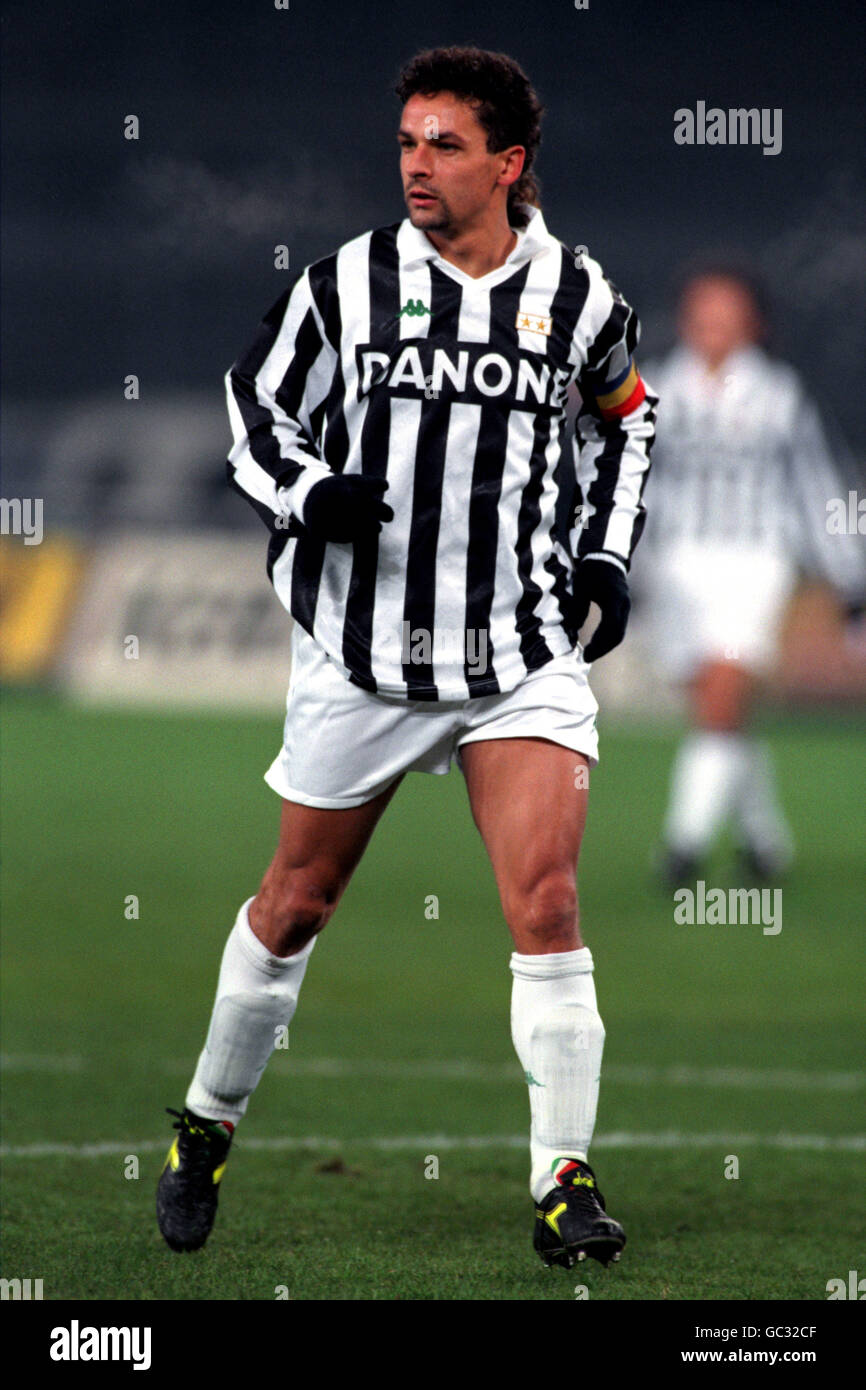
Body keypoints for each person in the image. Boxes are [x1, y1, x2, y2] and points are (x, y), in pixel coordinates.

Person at [157, 44, 657, 1272]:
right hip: (363, 651)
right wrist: (308, 488)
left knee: (545, 902)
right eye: (405, 142)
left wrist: (603, 556)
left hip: (517, 647)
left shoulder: (578, 296)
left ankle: (562, 1182)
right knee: (293, 908)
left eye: (442, 143)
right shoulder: (342, 286)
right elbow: (252, 410)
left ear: (508, 161)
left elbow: (630, 421)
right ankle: (205, 1127)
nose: (416, 164)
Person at [639, 266, 865, 884]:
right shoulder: (655, 391)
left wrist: (850, 584)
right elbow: (632, 485)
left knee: (721, 693)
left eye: (728, 311)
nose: (714, 324)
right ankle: (765, 844)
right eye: (704, 310)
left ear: (754, 323)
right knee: (720, 714)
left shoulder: (779, 396)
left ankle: (680, 848)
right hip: (677, 567)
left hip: (754, 564)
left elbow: (821, 488)